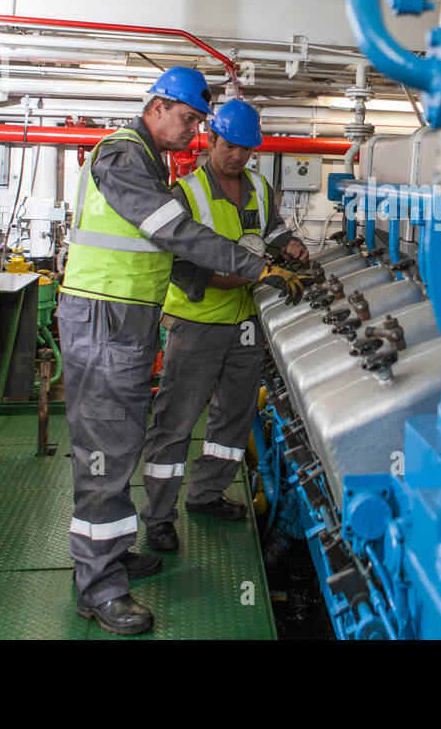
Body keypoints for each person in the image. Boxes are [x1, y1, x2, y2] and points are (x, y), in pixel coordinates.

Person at [58, 68, 304, 635]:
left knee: (117, 444)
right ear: (159, 107)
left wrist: (266, 266)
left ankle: (111, 558)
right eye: (192, 119)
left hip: (124, 317)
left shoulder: (149, 164)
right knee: (106, 452)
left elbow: (175, 255)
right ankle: (99, 588)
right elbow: (176, 233)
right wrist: (253, 267)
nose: (195, 130)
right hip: (105, 317)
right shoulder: (124, 159)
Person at [141, 99, 309, 552]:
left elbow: (269, 232)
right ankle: (158, 515)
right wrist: (217, 279)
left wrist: (289, 245)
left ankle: (207, 494)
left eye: (247, 150)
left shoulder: (258, 186)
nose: (238, 157)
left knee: (234, 415)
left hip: (247, 321)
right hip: (199, 321)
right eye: (230, 146)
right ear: (211, 140)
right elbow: (174, 259)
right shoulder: (186, 194)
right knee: (176, 420)